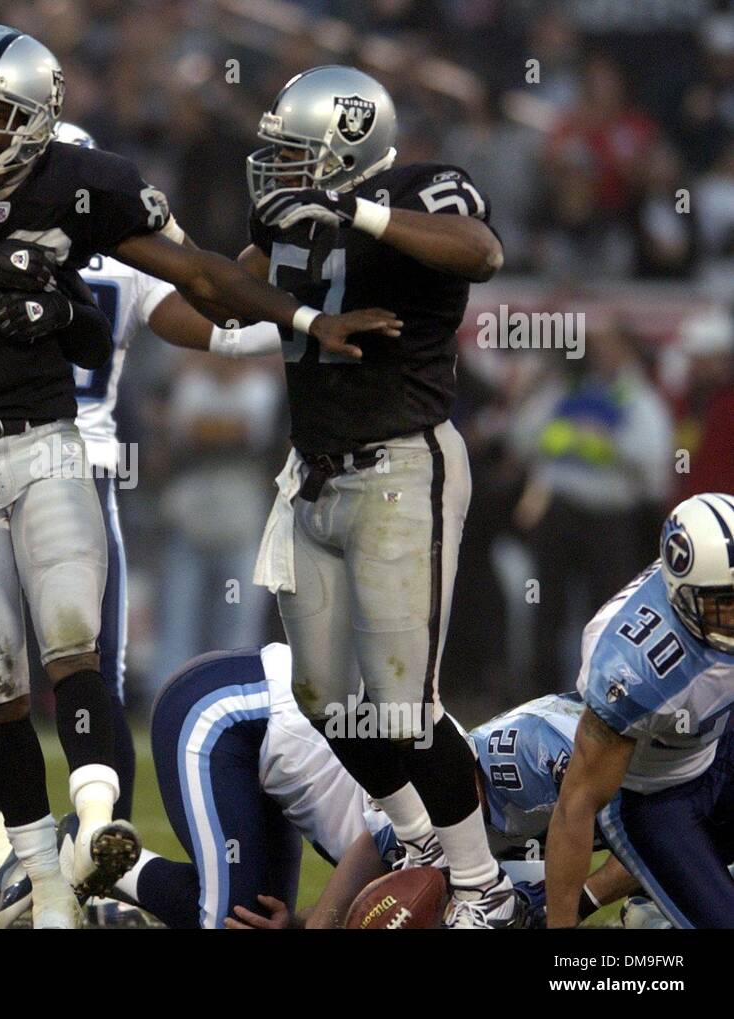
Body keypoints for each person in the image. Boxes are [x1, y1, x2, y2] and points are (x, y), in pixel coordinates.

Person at [0, 18, 399, 928]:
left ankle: (65, 850)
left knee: (64, 657)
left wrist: (304, 321)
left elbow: (196, 283)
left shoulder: (88, 193)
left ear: (42, 131)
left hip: (47, 443)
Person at [243, 65, 517, 925]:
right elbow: (229, 286)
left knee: (405, 700)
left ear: (346, 146)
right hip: (314, 473)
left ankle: (483, 888)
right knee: (327, 697)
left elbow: (482, 250)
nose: (278, 168)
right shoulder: (292, 216)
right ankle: (416, 833)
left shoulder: (420, 185)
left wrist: (352, 211)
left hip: (403, 467)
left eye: (296, 153)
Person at [546, 494, 734, 928]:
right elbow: (576, 807)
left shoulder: (712, 583)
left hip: (718, 734)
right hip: (656, 800)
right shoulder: (631, 671)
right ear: (683, 598)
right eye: (724, 604)